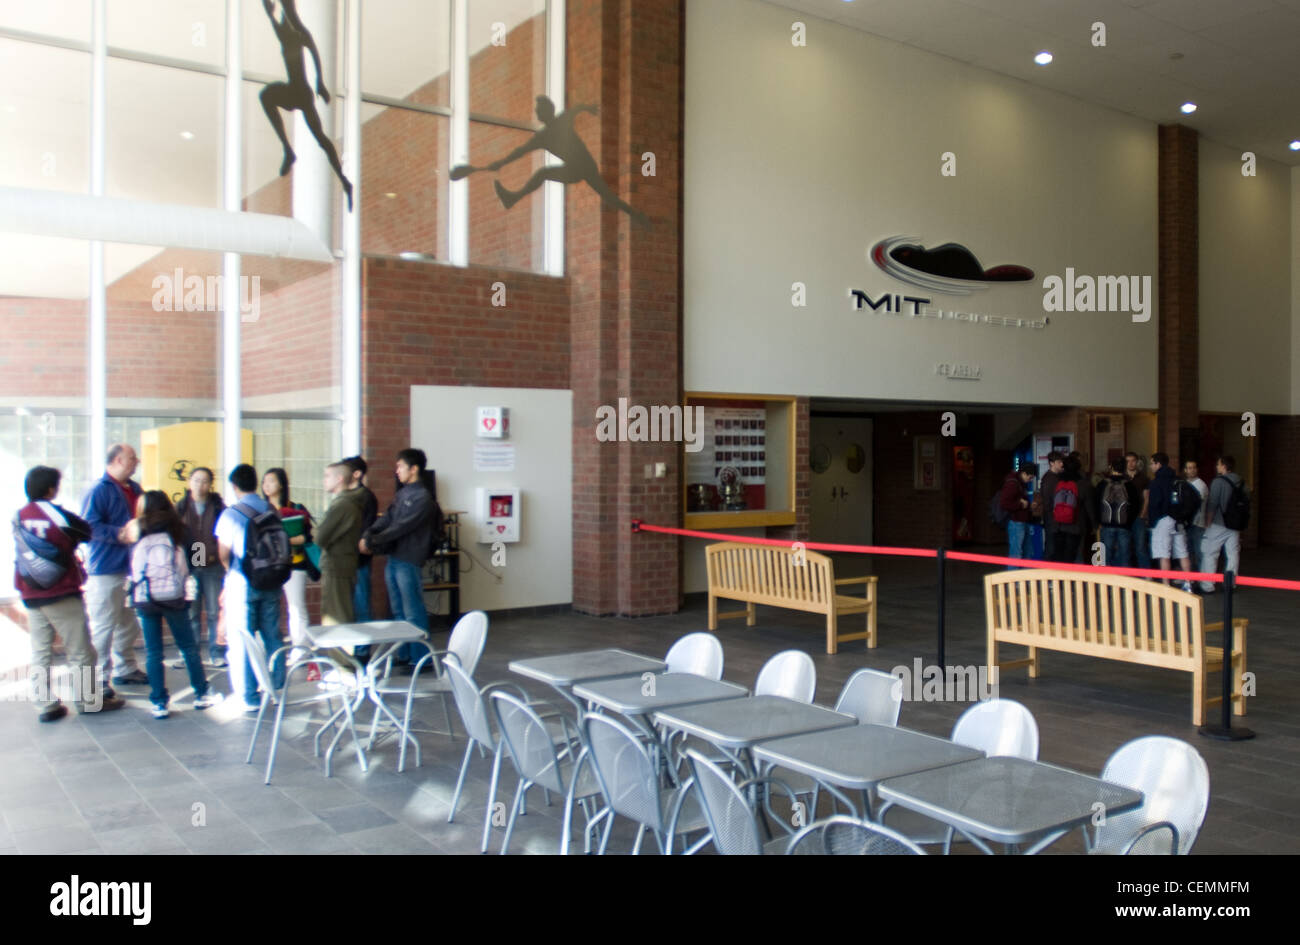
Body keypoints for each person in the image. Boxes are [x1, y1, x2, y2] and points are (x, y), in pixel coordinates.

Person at [15, 466, 125, 721]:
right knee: (80, 650)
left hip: (30, 592)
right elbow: (86, 532)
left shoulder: (19, 516)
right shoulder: (57, 515)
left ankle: (45, 704)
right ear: (51, 489)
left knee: (41, 650)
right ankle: (88, 700)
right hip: (60, 591)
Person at [126, 491, 220, 719]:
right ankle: (202, 693)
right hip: (174, 597)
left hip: (146, 598)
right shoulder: (180, 529)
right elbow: (196, 551)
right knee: (188, 647)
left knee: (153, 652)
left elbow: (131, 563)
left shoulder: (136, 530)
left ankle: (159, 702)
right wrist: (195, 573)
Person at [259, 0, 353, 209]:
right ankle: (288, 150)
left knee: (321, 139)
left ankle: (345, 181)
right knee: (266, 96)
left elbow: (315, 54)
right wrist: (269, 13)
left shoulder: (300, 32)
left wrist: (321, 83)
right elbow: (275, 21)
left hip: (301, 93)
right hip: (293, 89)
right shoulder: (285, 31)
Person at [217, 464, 287, 711]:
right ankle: (278, 686)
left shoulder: (230, 513)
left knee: (243, 638)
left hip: (243, 581)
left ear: (234, 486)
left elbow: (223, 552)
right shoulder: (270, 508)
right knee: (272, 634)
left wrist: (229, 571)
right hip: (272, 579)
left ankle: (249, 695)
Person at [81, 443, 148, 688]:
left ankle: (126, 667)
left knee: (127, 624)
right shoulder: (99, 490)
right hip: (106, 569)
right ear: (118, 460)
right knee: (103, 626)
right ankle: (98, 679)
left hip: (132, 570)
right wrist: (120, 534)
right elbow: (88, 526)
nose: (137, 462)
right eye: (132, 458)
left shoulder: (136, 489)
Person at [361, 448, 435, 669]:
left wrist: (373, 542)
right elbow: (389, 518)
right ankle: (403, 653)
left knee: (413, 610)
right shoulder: (403, 493)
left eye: (401, 467)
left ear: (414, 469)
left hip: (409, 558)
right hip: (394, 556)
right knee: (398, 609)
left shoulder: (423, 498)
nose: (397, 471)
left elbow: (401, 527)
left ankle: (421, 658)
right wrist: (369, 533)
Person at [174, 467, 227, 667]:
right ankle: (191, 653)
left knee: (214, 611)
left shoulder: (218, 506)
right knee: (191, 613)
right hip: (190, 566)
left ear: (210, 484)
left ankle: (217, 652)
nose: (200, 485)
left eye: (205, 481)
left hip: (213, 565)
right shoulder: (181, 506)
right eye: (196, 480)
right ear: (189, 482)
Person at [261, 468, 313, 659]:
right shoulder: (260, 509)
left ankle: (300, 649)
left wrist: (283, 540)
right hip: (268, 565)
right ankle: (271, 649)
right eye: (264, 481)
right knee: (269, 607)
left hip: (294, 563)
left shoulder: (296, 507)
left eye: (271, 481)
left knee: (296, 607)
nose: (266, 485)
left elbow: (307, 537)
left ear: (281, 484)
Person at [316, 461, 368, 625]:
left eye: (327, 476)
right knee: (336, 614)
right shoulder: (345, 502)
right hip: (340, 565)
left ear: (339, 479)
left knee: (337, 618)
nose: (323, 480)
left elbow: (320, 536)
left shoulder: (343, 504)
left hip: (338, 566)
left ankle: (339, 651)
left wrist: (314, 531)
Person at [1146, 452, 1194, 591]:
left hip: (1162, 520)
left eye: (1152, 463)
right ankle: (1188, 583)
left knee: (1164, 554)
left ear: (1158, 464)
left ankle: (1166, 585)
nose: (1150, 466)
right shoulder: (1178, 480)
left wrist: (1152, 521)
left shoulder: (1156, 482)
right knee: (1183, 553)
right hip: (1179, 520)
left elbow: (1154, 503)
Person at [1199, 455, 1245, 594]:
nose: (1216, 467)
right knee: (1232, 553)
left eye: (1218, 464)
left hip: (1219, 522)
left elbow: (1213, 503)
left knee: (1210, 552)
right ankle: (1230, 583)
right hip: (1235, 524)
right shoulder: (1241, 481)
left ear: (1224, 466)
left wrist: (1208, 521)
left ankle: (1207, 584)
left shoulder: (1218, 482)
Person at [343, 456, 379, 622]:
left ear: (357, 474)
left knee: (361, 603)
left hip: (358, 559)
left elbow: (366, 528)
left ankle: (362, 647)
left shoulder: (366, 497)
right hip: (343, 559)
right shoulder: (344, 496)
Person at [1096, 457, 1139, 569]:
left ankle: (1106, 582)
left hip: (1107, 525)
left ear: (1111, 467)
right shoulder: (1129, 485)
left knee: (1105, 555)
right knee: (1125, 555)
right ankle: (1124, 582)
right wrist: (1129, 521)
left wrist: (1099, 522)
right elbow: (1136, 505)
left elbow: (1095, 502)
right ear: (1124, 468)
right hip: (1124, 525)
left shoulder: (1103, 484)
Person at [1048, 453, 1090, 563]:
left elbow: (1050, 501)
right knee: (1073, 555)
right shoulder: (1083, 484)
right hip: (1075, 525)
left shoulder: (1057, 482)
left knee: (1058, 555)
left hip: (1058, 524)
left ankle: (1058, 579)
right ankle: (1073, 579)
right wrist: (1094, 524)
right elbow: (1089, 506)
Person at [998, 465, 1035, 564]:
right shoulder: (1013, 484)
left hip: (1022, 521)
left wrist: (1028, 505)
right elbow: (1004, 503)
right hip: (1016, 522)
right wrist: (1021, 504)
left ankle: (1024, 578)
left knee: (1026, 553)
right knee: (1016, 554)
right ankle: (1014, 578)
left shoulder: (1020, 483)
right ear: (1023, 473)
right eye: (1030, 477)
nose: (1030, 480)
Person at [1182, 459, 1210, 580]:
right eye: (1189, 468)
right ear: (1185, 470)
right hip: (1187, 523)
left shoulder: (1201, 485)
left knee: (1199, 553)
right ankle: (1191, 578)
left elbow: (1194, 503)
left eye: (1193, 467)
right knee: (1188, 551)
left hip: (1198, 523)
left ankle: (1200, 578)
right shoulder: (1184, 484)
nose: (1191, 470)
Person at [1125, 452, 1151, 569]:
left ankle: (1146, 575)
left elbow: (1147, 498)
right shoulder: (1121, 477)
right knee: (1124, 547)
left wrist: (1143, 514)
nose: (1130, 463)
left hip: (1137, 516)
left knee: (1140, 547)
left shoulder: (1143, 478)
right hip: (1124, 517)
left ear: (1137, 462)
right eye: (1128, 461)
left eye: (1133, 460)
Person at [1038, 452, 1065, 561]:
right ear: (1051, 463)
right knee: (1051, 547)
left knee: (1054, 546)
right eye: (1059, 462)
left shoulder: (1056, 477)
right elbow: (1047, 501)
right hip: (1052, 518)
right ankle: (1047, 573)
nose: (1062, 464)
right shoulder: (1049, 479)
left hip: (1055, 517)